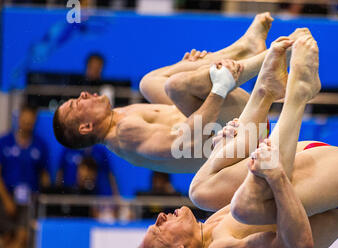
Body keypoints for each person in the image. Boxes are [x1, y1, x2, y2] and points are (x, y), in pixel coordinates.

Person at [131, 31, 338, 248]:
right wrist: (276, 177)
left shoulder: (209, 231)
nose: (159, 218)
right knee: (245, 208)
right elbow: (299, 243)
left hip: (301, 157)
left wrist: (225, 149)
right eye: (158, 230)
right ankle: (298, 93)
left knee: (200, 192)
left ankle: (267, 90)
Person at [53, 13, 305, 173]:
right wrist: (217, 87)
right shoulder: (125, 135)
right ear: (86, 127)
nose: (83, 95)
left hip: (227, 124)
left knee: (149, 83)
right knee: (177, 87)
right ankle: (274, 59)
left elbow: (180, 101)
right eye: (76, 104)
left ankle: (244, 47)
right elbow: (185, 141)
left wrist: (194, 70)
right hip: (246, 136)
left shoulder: (118, 118)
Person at [0, 104, 51, 241]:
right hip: (6, 197)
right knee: (6, 239)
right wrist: (6, 200)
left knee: (23, 238)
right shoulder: (4, 142)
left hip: (29, 199)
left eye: (30, 122)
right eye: (24, 121)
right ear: (19, 119)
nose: (27, 124)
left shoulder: (40, 146)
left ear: (34, 122)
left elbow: (44, 174)